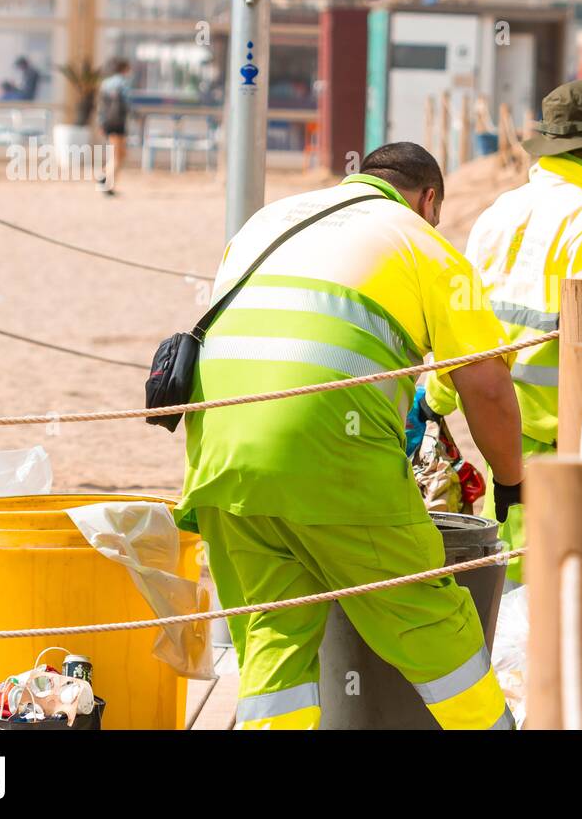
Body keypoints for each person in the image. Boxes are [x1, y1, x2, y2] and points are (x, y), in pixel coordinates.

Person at [176, 142, 523, 730]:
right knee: (428, 619)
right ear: (429, 198)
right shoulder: (424, 244)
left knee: (272, 636)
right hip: (330, 458)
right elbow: (486, 386)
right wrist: (511, 482)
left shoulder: (265, 223)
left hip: (221, 458)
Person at [424, 80, 582, 583]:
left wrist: (436, 397)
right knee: (560, 588)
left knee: (514, 577)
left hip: (497, 428)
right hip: (566, 434)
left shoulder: (500, 213)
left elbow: (464, 324)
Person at [96, 58, 130, 193]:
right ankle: (106, 183)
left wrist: (100, 122)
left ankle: (104, 177)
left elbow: (101, 106)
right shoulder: (123, 83)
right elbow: (128, 104)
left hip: (108, 122)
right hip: (119, 122)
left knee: (118, 154)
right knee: (118, 155)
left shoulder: (105, 84)